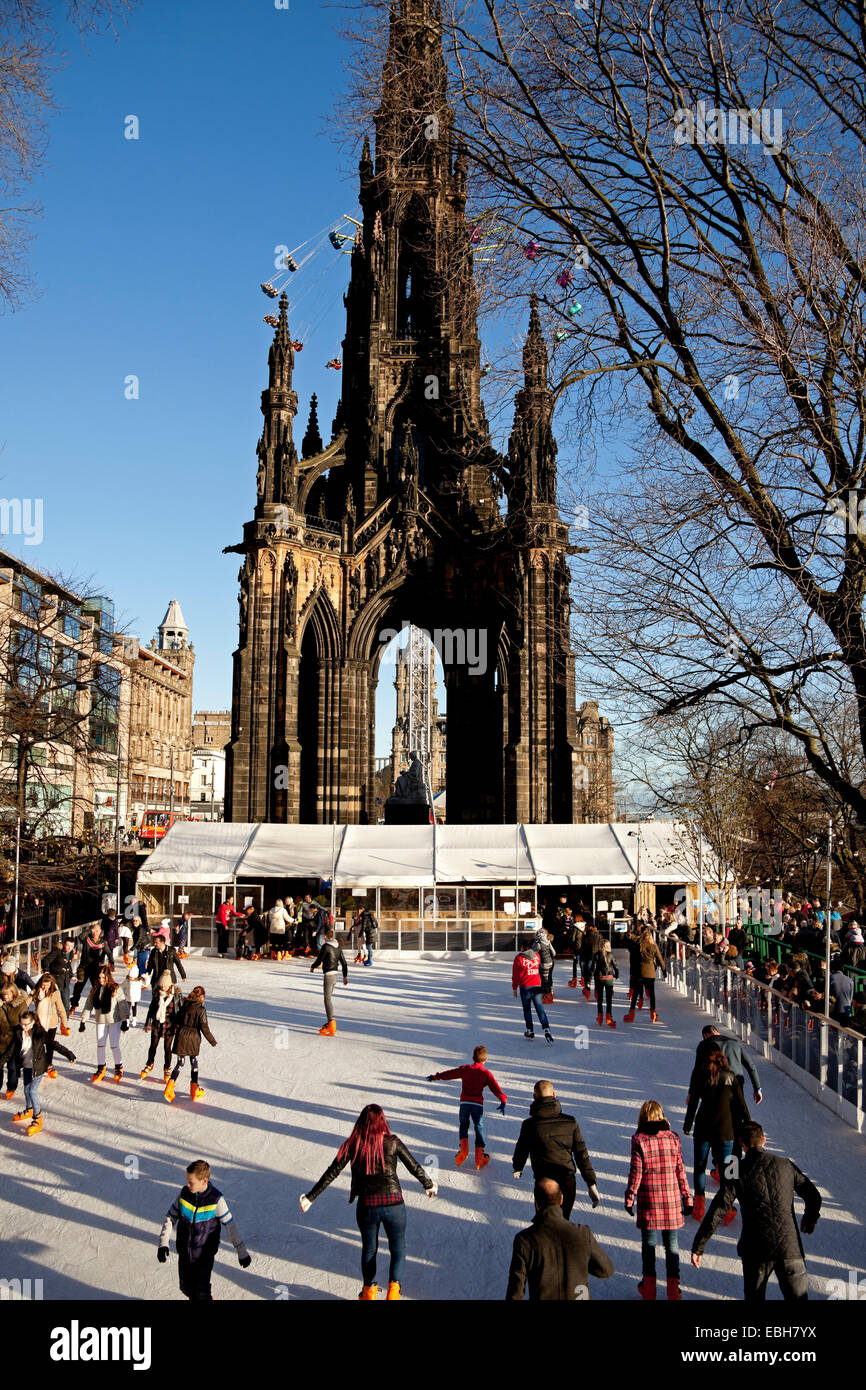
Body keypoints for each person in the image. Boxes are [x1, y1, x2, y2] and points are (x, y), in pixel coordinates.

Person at [299, 1103, 436, 1301]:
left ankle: (369, 1293)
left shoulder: (353, 1144)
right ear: (383, 1121)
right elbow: (413, 1165)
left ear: (361, 1122)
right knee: (398, 1248)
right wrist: (428, 1185)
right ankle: (393, 1293)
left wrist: (311, 1197)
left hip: (367, 1207)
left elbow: (333, 1171)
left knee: (369, 1248)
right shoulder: (392, 1141)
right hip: (394, 1205)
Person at [691, 1122, 822, 1301]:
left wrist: (699, 1245)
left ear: (742, 1145)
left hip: (755, 1250)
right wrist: (811, 1217)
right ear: (764, 1140)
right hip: (790, 1248)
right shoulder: (785, 1164)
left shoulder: (735, 1170)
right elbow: (813, 1195)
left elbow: (719, 1208)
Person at [624, 1100, 692, 1300]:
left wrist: (630, 1198)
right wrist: (687, 1198)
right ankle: (673, 1288)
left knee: (649, 1245)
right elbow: (680, 1170)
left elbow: (636, 1173)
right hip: (671, 1200)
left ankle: (649, 1287)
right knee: (672, 1245)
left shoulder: (639, 1140)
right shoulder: (673, 1138)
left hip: (649, 1200)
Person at [505, 1177, 614, 1301]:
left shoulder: (524, 1240)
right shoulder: (583, 1233)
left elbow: (515, 1293)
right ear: (561, 1199)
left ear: (536, 1203)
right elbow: (606, 1270)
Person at [158, 1158, 251, 1300]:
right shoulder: (184, 1194)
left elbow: (231, 1226)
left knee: (201, 1293)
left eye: (191, 1182)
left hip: (204, 1255)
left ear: (204, 1181)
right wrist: (163, 1243)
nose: (187, 1185)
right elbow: (170, 1218)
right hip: (184, 1252)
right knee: (187, 1288)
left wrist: (242, 1252)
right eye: (187, 1181)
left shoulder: (216, 1200)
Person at [512, 1079, 600, 1219]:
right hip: (567, 1180)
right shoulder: (570, 1122)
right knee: (563, 1221)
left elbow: (521, 1149)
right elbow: (581, 1154)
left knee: (544, 1222)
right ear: (554, 1094)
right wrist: (591, 1183)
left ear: (534, 1097)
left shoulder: (529, 1125)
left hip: (544, 1183)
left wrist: (518, 1167)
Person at [683, 1046, 750, 1220]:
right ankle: (727, 1208)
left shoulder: (700, 1077)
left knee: (699, 1166)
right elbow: (742, 1105)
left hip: (703, 1128)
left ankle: (699, 1207)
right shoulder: (730, 1077)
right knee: (729, 1168)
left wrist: (687, 1124)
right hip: (726, 1129)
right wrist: (749, 1126)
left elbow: (693, 1104)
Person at [427, 1044, 507, 1169]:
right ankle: (479, 1155)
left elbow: (450, 1074)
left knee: (463, 1125)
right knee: (478, 1127)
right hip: (477, 1105)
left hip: (464, 1103)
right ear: (486, 1059)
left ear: (473, 1058)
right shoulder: (486, 1073)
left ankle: (463, 1150)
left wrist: (436, 1076)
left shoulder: (465, 1069)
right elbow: (495, 1088)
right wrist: (503, 1100)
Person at [165, 985, 217, 1104]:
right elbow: (204, 1028)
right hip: (193, 1038)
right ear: (202, 996)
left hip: (181, 1036)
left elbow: (177, 1019)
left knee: (180, 1063)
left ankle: (170, 1085)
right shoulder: (201, 1010)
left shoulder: (185, 1005)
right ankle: (194, 1089)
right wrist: (212, 1041)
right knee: (194, 1062)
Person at [79, 965, 131, 1083]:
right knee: (100, 1045)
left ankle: (118, 1067)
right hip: (101, 1020)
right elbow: (88, 1005)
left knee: (114, 1045)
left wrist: (125, 1020)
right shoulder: (95, 989)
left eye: (103, 977)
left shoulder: (115, 988)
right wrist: (83, 1021)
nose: (101, 980)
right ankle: (101, 1067)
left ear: (108, 977)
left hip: (114, 1020)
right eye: (99, 977)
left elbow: (122, 1004)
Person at [696, 1025, 762, 1106]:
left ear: (705, 1036)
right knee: (736, 1115)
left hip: (715, 1090)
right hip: (736, 1087)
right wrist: (757, 1088)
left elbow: (698, 1072)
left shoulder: (704, 1045)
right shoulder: (736, 1043)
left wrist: (693, 1094)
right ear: (718, 1032)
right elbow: (750, 1066)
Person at [141, 972, 183, 1081]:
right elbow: (151, 1009)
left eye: (165, 985)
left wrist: (180, 1025)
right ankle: (149, 1064)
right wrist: (147, 1023)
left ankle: (167, 1068)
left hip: (170, 1024)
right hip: (157, 1023)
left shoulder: (176, 995)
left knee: (167, 1048)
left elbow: (180, 1010)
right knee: (153, 1045)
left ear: (169, 985)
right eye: (161, 985)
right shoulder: (157, 994)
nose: (163, 987)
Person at [512, 938, 553, 1044]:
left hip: (525, 987)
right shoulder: (537, 956)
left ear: (523, 947)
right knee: (540, 1009)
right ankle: (546, 1029)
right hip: (536, 985)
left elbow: (515, 975)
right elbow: (538, 969)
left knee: (527, 1009)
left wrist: (514, 987)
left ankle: (530, 1030)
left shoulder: (519, 958)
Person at [33, 974, 76, 1077]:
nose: (45, 987)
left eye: (47, 985)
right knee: (38, 1045)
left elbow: (60, 1009)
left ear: (51, 984)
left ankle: (49, 1065)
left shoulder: (55, 993)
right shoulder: (36, 992)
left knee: (50, 1044)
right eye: (43, 985)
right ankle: (40, 1065)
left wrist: (64, 1024)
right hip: (40, 1023)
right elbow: (27, 1003)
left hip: (51, 1022)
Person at [14, 1010, 49, 1136]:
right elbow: (11, 1050)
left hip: (38, 1067)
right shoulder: (19, 1032)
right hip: (27, 1066)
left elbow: (52, 1044)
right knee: (26, 1089)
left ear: (33, 1022)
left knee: (32, 1091)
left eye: (26, 1024)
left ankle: (37, 1118)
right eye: (22, 1024)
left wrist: (68, 1054)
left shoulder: (39, 1033)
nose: (24, 1027)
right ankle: (29, 1110)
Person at [310, 926, 348, 1035]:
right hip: (335, 975)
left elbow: (319, 959)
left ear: (326, 936)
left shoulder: (326, 947)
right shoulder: (338, 947)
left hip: (328, 975)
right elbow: (344, 963)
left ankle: (331, 1023)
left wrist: (313, 967)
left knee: (327, 1000)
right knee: (329, 998)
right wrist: (345, 976)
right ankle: (330, 1021)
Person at [623, 928, 665, 1023]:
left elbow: (633, 960)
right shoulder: (653, 947)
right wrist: (664, 971)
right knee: (652, 994)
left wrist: (633, 972)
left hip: (639, 972)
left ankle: (631, 1013)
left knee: (636, 993)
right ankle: (653, 1013)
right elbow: (660, 959)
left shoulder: (638, 946)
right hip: (650, 973)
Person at [69, 923, 112, 1012]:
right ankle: (74, 1004)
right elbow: (80, 937)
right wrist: (89, 930)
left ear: (100, 932)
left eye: (97, 931)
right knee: (78, 987)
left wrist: (112, 962)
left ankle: (99, 1006)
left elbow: (109, 953)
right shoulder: (87, 938)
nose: (95, 932)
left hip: (95, 969)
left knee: (96, 987)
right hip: (83, 968)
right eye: (93, 930)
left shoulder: (103, 942)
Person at [0, 980, 30, 1099]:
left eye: (7, 994)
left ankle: (11, 1087)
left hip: (14, 1041)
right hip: (1, 1041)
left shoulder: (20, 1006)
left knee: (12, 1067)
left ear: (13, 993)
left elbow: (25, 1023)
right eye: (3, 995)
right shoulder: (1, 1004)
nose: (5, 997)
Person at [41, 937, 76, 1017]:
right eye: (67, 945)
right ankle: (49, 1022)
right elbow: (45, 960)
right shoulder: (57, 952)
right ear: (64, 944)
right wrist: (46, 971)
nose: (69, 948)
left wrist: (71, 975)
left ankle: (65, 1025)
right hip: (55, 981)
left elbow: (68, 966)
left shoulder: (71, 954)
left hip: (65, 983)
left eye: (71, 946)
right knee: (51, 1004)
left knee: (66, 1005)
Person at [592, 937, 619, 1027]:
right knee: (609, 999)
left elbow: (593, 968)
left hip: (599, 979)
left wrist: (592, 976)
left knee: (599, 1000)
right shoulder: (610, 955)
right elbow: (615, 966)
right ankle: (609, 1016)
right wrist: (617, 975)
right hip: (609, 979)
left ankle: (600, 1017)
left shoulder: (596, 955)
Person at [577, 921, 602, 997]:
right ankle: (597, 991)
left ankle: (587, 988)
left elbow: (583, 947)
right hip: (596, 956)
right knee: (596, 974)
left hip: (587, 956)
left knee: (588, 973)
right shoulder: (599, 935)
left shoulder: (586, 936)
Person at [533, 924, 557, 1003]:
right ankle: (549, 993)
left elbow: (534, 952)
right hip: (550, 963)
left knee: (544, 980)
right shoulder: (548, 942)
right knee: (548, 978)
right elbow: (554, 953)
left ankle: (546, 995)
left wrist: (536, 942)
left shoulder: (538, 943)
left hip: (543, 963)